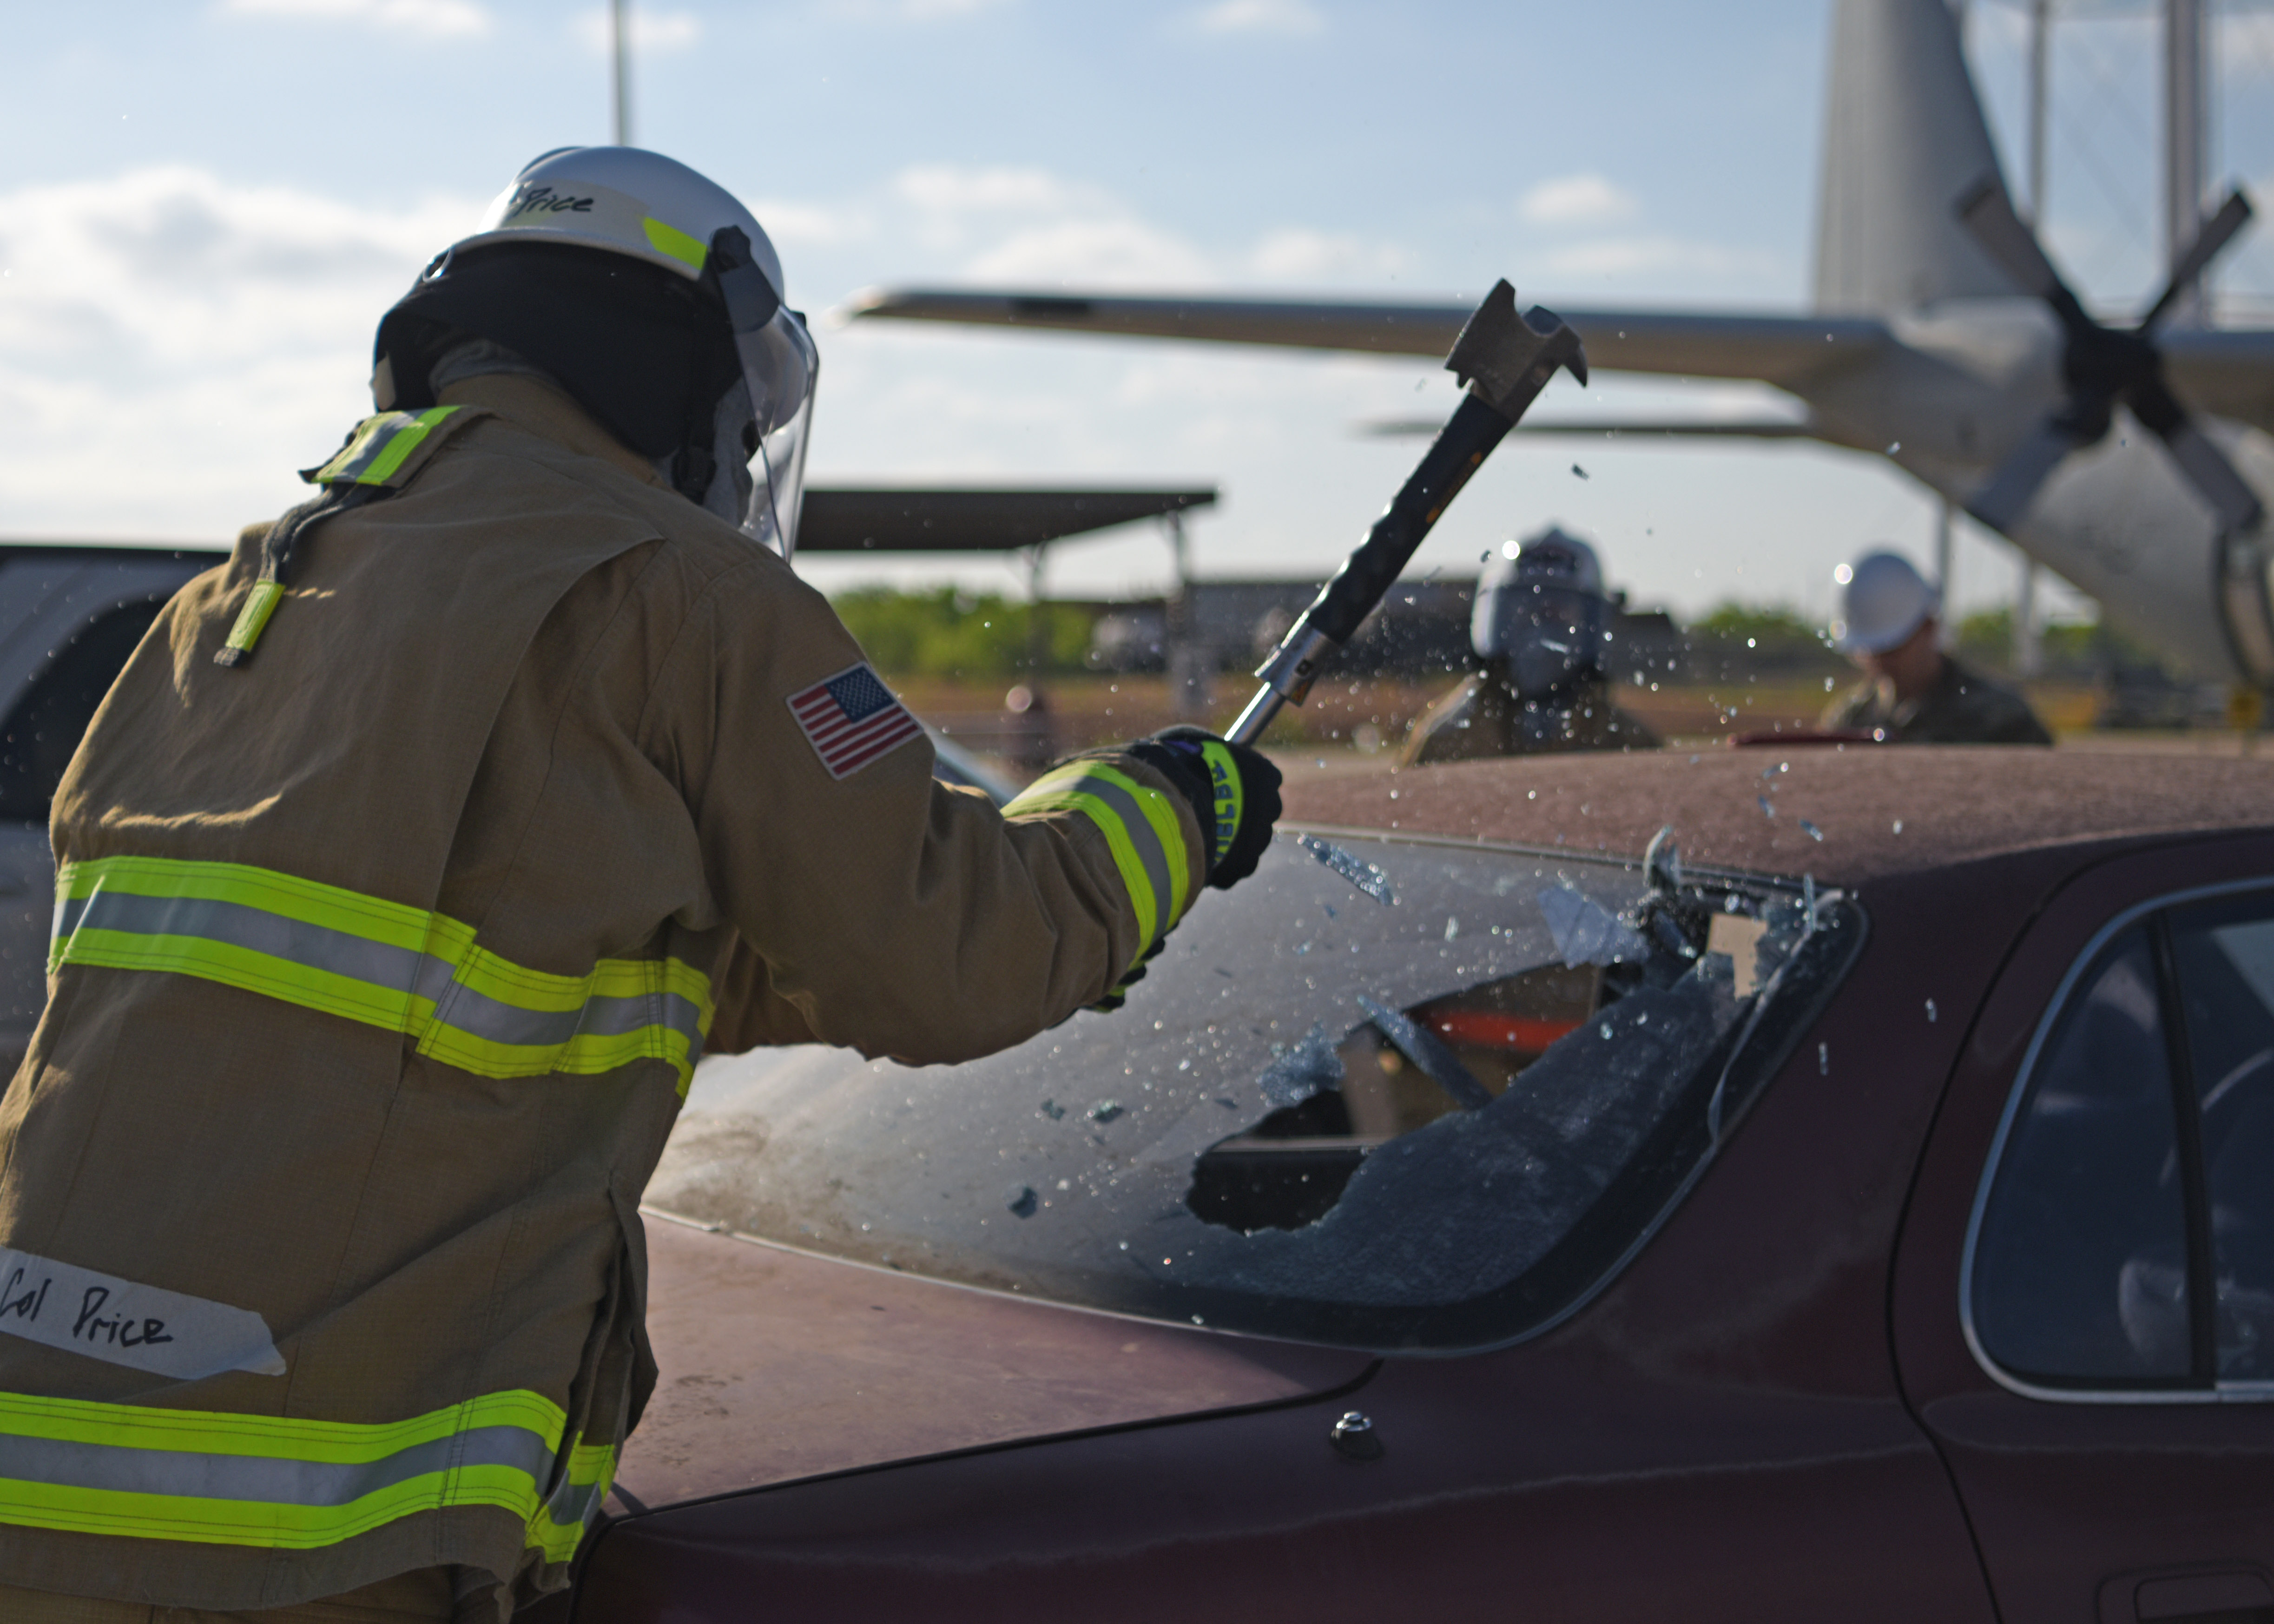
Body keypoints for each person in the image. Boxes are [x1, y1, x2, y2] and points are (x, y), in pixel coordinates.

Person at [0, 148, 1280, 1624]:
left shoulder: (239, 596)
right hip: (299, 1527)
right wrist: (1160, 818)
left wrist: (1043, 924)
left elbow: (518, 956)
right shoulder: (694, 597)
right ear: (702, 378)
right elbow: (954, 952)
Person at [1402, 527, 1661, 764]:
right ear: (1496, 619)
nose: (1540, 633)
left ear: (1593, 627)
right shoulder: (1447, 739)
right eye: (1527, 612)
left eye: (1558, 615)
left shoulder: (1629, 744)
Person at [1819, 550, 2052, 744]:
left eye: (1893, 648)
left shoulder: (2001, 717)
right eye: (1871, 651)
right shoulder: (1850, 719)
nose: (1881, 661)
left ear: (1928, 627)